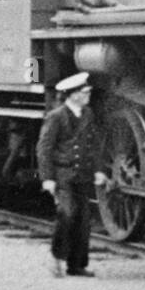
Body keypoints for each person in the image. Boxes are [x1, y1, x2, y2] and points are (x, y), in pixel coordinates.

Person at [36, 72, 109, 277]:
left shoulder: (87, 114)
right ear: (73, 94)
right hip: (63, 174)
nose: (88, 95)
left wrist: (99, 170)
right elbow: (44, 148)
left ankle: (76, 265)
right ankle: (57, 258)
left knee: (83, 220)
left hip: (82, 175)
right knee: (66, 214)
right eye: (84, 92)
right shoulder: (56, 116)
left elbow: (94, 146)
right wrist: (47, 178)